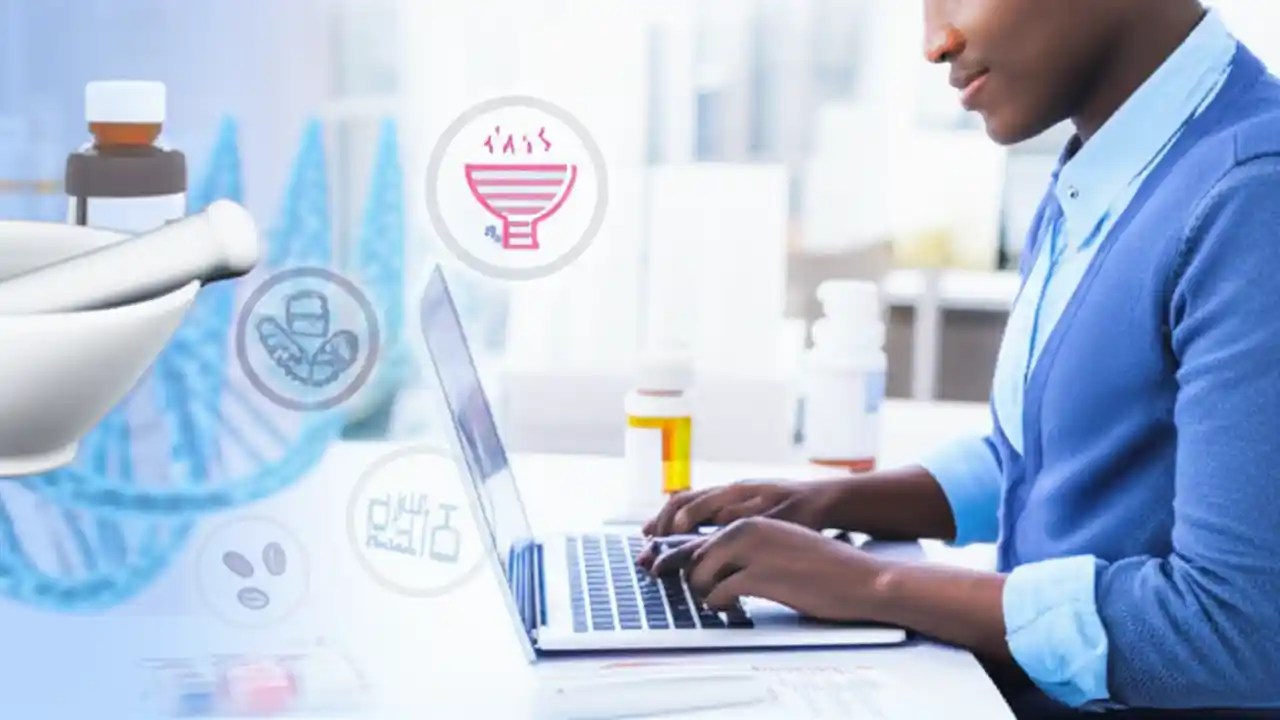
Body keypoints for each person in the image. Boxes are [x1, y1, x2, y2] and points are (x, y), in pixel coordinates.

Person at [637, 1, 1280, 717]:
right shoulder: (1107, 169)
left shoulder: (1252, 195)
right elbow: (1052, 450)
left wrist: (866, 585)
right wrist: (830, 503)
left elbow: (1241, 633)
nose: (935, 42)